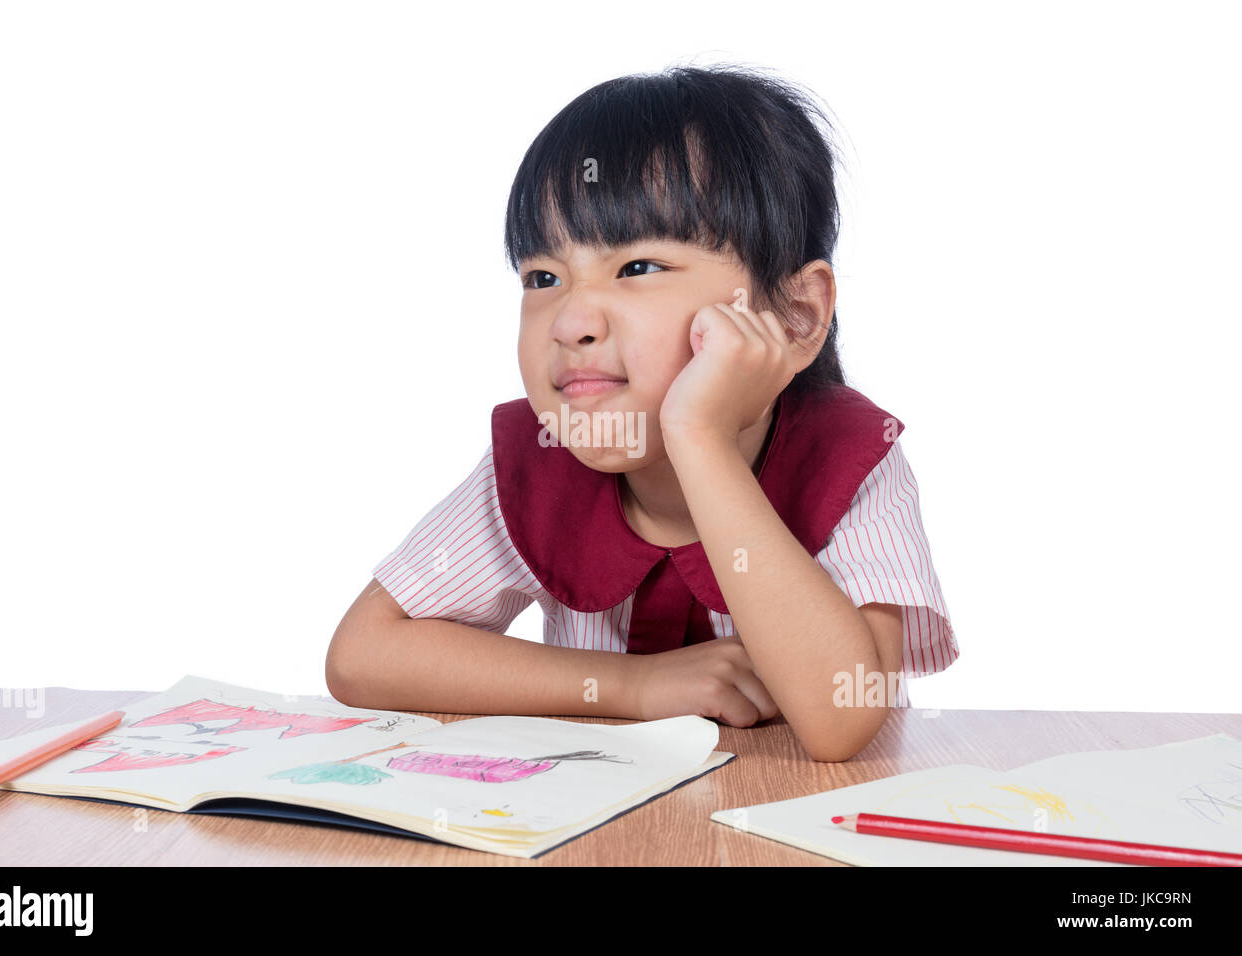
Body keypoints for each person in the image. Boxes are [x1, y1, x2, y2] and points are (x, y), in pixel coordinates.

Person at [327, 63, 958, 761]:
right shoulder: (538, 459)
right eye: (543, 277)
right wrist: (633, 687)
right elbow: (361, 656)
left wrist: (700, 438)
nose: (570, 320)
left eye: (637, 269)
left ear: (796, 313)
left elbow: (842, 718)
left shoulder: (854, 457)